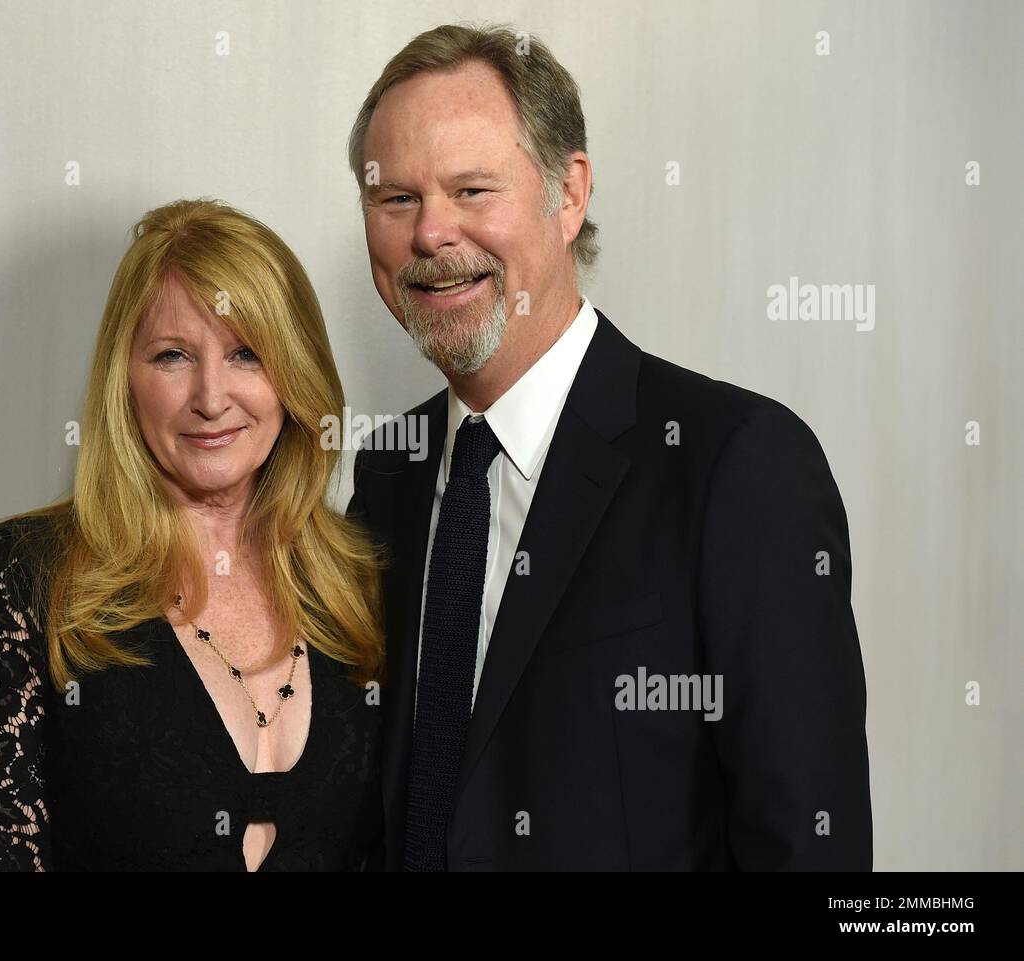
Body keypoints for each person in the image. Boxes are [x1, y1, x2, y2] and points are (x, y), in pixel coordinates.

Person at [345, 23, 872, 870]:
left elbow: (807, 847)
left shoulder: (737, 464)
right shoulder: (386, 473)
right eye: (396, 198)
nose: (430, 233)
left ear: (569, 193)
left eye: (474, 189)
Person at [0, 198, 385, 871]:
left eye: (246, 354)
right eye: (173, 355)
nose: (211, 396)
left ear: (295, 375)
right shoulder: (28, 578)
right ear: (126, 380)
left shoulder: (359, 584)